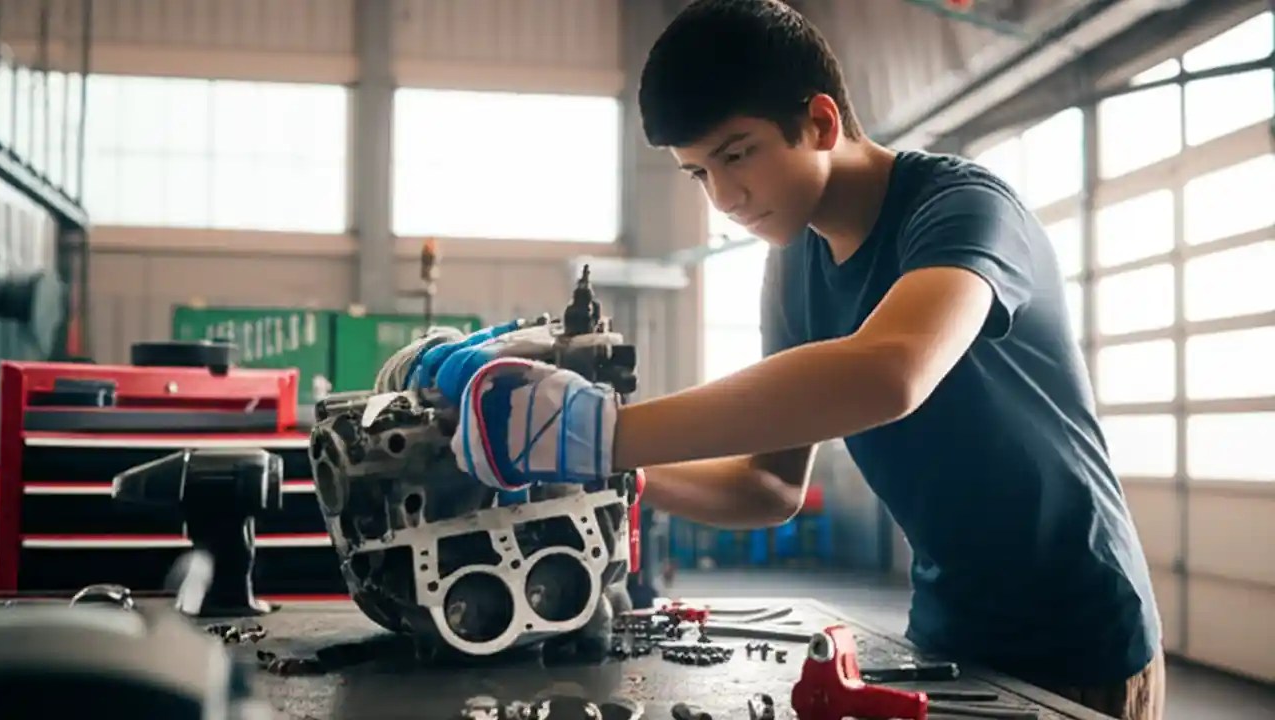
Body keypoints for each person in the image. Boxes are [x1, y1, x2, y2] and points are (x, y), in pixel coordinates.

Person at [411, 1, 1164, 717]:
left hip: (1081, 637)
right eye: (700, 172)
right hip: (949, 627)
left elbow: (890, 371)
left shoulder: (963, 209)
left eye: (738, 155)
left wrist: (600, 432)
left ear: (821, 121)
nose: (724, 197)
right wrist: (600, 474)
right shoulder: (791, 264)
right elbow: (768, 485)